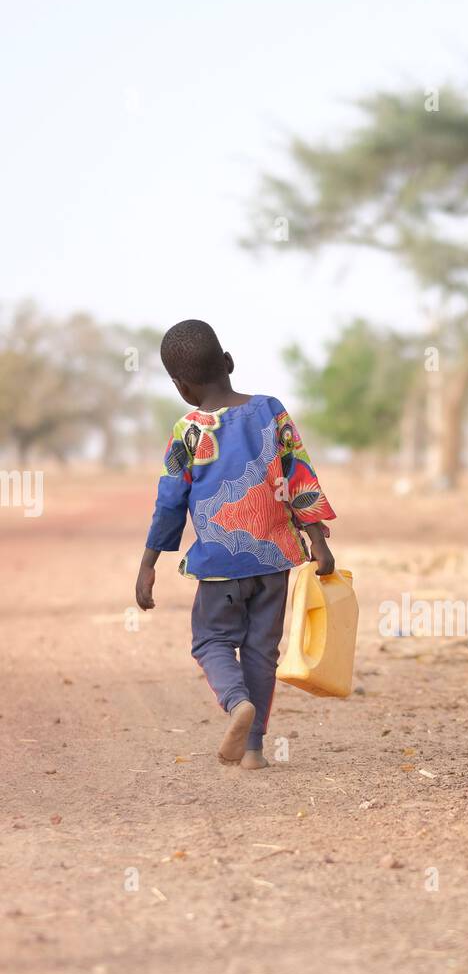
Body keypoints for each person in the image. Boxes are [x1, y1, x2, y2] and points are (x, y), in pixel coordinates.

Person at [135, 319, 336, 769]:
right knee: (262, 653)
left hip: (219, 564)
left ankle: (235, 702)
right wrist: (317, 539)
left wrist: (149, 562)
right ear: (228, 362)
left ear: (181, 386)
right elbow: (298, 471)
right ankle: (254, 751)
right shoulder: (271, 410)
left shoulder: (188, 431)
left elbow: (170, 501)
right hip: (274, 560)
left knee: (211, 642)